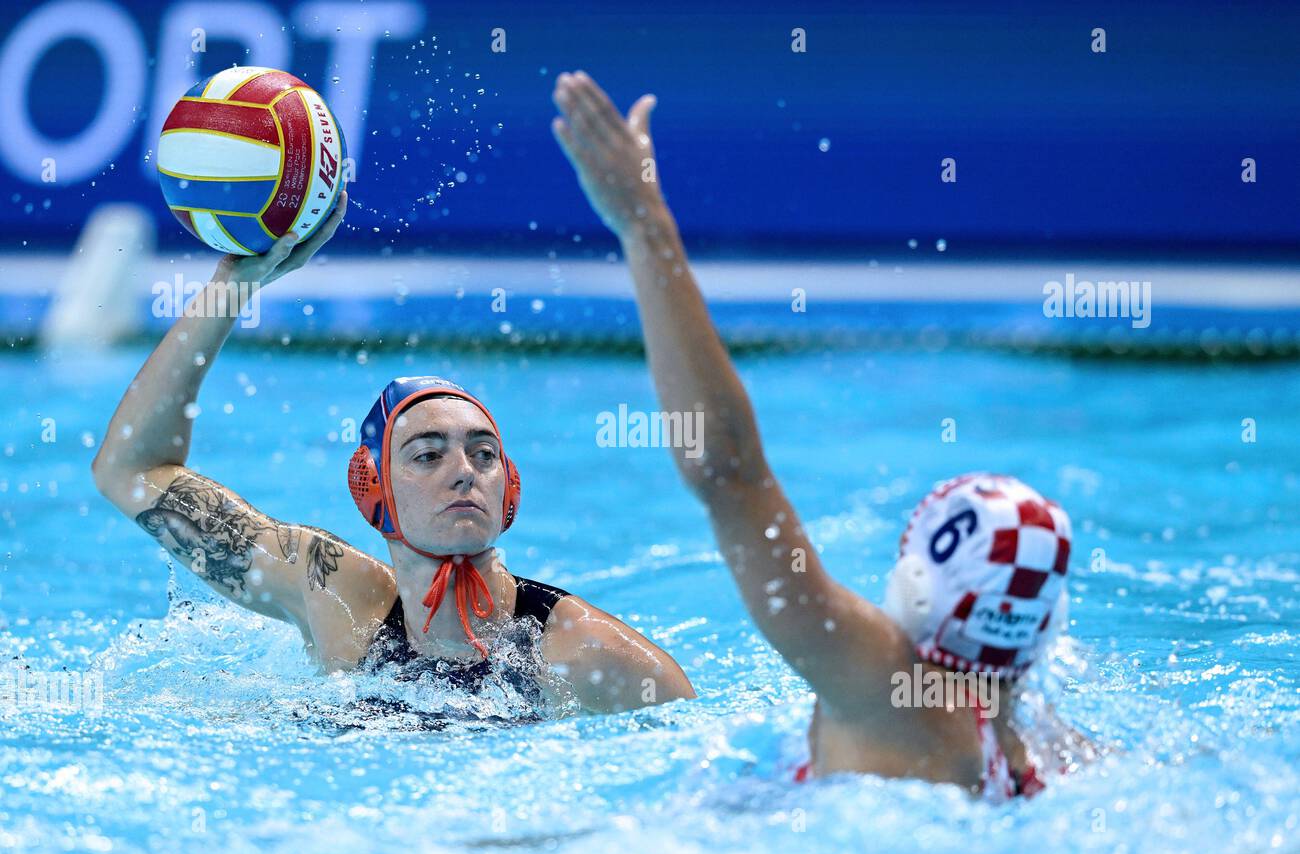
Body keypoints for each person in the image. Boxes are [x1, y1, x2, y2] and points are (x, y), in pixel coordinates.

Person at [551, 71, 1091, 796]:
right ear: (1044, 626)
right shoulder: (1038, 746)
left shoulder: (876, 679)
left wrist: (644, 223)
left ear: (921, 587)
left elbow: (729, 472)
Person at [91, 192, 694, 717]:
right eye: (428, 456)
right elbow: (130, 470)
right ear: (372, 490)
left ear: (509, 490)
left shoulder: (579, 649)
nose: (464, 472)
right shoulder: (331, 591)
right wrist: (233, 287)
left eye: (484, 456)